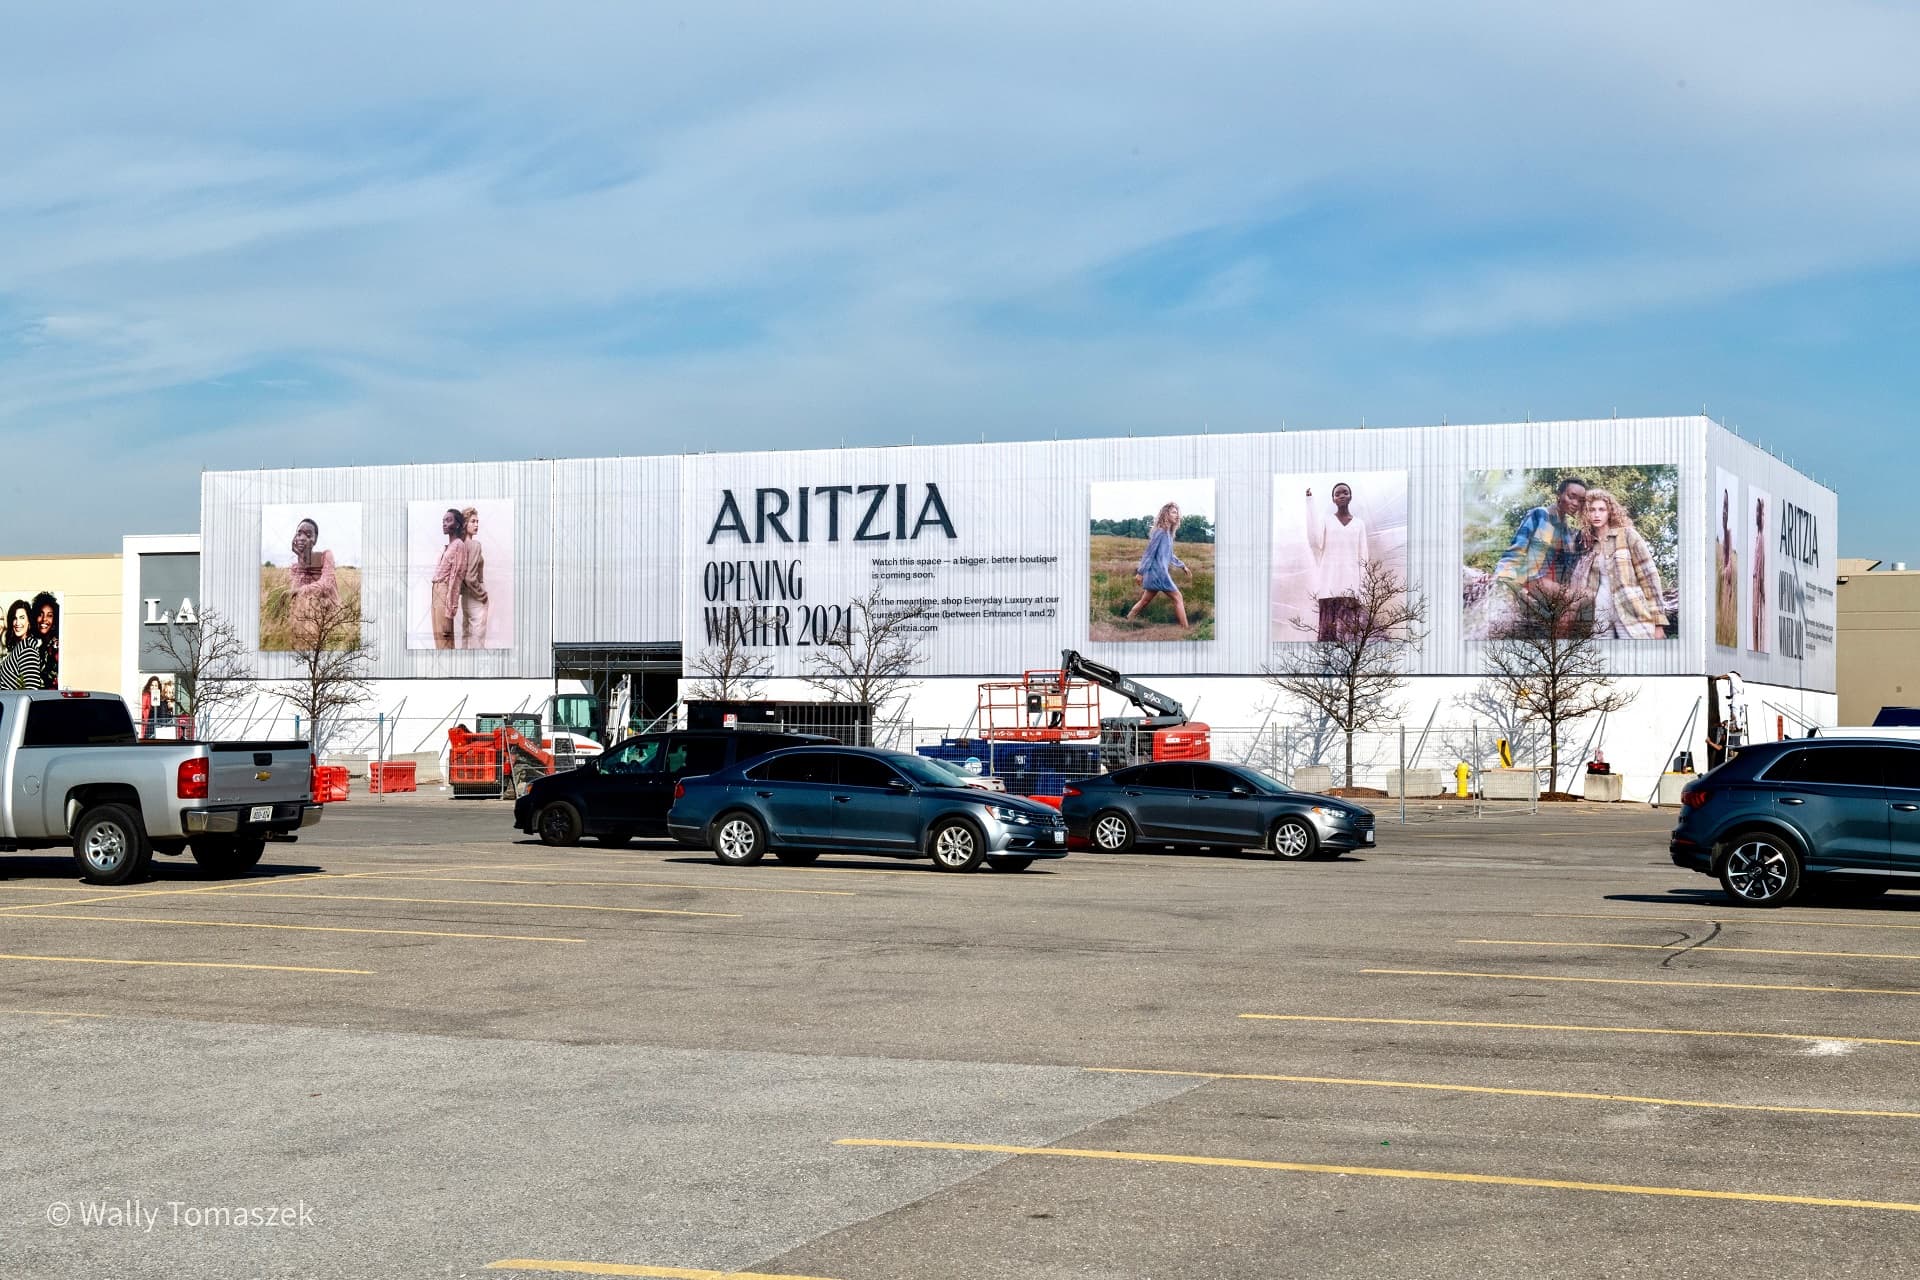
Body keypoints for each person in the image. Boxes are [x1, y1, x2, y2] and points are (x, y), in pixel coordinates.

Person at [1492, 476, 1588, 637]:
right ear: (1559, 495)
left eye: (1581, 500)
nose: (1576, 504)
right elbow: (1516, 549)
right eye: (1571, 497)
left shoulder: (1567, 533)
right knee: (1575, 598)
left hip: (1548, 589)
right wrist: (1503, 580)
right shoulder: (1540, 515)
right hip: (1531, 579)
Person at [1572, 488, 1669, 639]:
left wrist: (1658, 624)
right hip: (1598, 616)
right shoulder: (1585, 544)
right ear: (1586, 513)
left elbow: (1649, 578)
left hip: (1631, 612)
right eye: (1591, 510)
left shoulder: (1628, 535)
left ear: (1610, 511)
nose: (1596, 514)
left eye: (1601, 509)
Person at [1304, 482, 1371, 641]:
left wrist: (1364, 591)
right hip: (1329, 588)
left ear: (1351, 496)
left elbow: (1364, 557)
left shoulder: (1359, 524)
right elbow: (1314, 540)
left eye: (1345, 492)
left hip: (1351, 589)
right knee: (1328, 637)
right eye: (1337, 494)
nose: (1341, 496)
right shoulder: (1326, 521)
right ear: (1333, 499)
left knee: (1348, 639)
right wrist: (1309, 502)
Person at [1124, 502, 1191, 629]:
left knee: (1145, 601)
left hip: (1157, 573)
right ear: (1166, 514)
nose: (1177, 515)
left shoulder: (1169, 534)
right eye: (1173, 512)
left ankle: (1127, 621)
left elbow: (1170, 555)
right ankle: (1185, 629)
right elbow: (1149, 552)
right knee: (1178, 597)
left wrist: (1183, 566)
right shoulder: (1160, 531)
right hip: (1158, 573)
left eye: (1177, 512)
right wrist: (1140, 572)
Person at [286, 517, 339, 647]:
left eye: (308, 535)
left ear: (315, 540)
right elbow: (296, 600)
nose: (302, 537)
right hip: (305, 622)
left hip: (330, 619)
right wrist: (302, 559)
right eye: (299, 533)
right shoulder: (294, 568)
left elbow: (325, 585)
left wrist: (299, 591)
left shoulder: (326, 556)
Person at [431, 507, 470, 650]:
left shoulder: (459, 545)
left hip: (444, 592)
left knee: (445, 641)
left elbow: (456, 580)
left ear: (458, 524)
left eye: (448, 520)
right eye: (443, 521)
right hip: (435, 591)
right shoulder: (447, 546)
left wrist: (449, 614)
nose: (444, 523)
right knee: (438, 640)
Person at [458, 506, 490, 649]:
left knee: (466, 636)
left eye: (477, 521)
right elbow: (470, 578)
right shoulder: (475, 545)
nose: (476, 524)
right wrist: (482, 595)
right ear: (465, 524)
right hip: (475, 597)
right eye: (473, 521)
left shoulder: (459, 545)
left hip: (464, 597)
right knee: (478, 640)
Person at [0, 599, 43, 691]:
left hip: (11, 704)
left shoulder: (28, 650)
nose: (17, 623)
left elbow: (31, 689)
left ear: (29, 622)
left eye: (22, 617)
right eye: (15, 618)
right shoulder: (20, 646)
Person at [1715, 490, 1738, 648]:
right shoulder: (1721, 537)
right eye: (1722, 508)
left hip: (1727, 592)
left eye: (1726, 508)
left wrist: (1725, 573)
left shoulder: (1728, 535)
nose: (1724, 512)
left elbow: (1729, 567)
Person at [1750, 498, 1769, 654]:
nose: (1758, 516)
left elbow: (1762, 574)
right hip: (1755, 591)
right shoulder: (1757, 537)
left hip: (1759, 593)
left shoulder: (1762, 539)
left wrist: (1763, 595)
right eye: (1757, 512)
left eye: (1761, 512)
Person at [30, 591, 59, 688]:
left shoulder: (56, 647)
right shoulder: (40, 646)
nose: (44, 619)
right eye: (40, 614)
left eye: (49, 615)